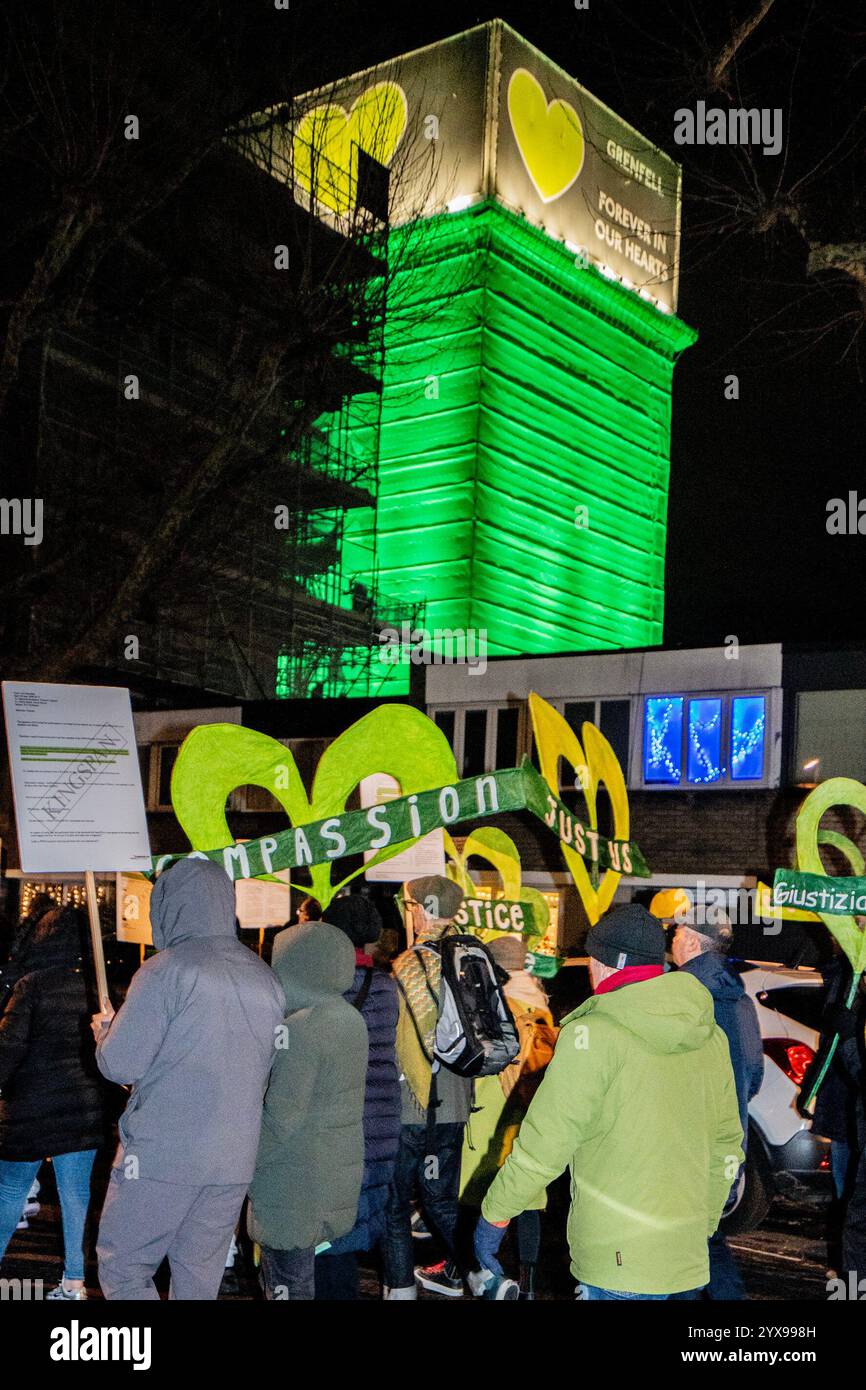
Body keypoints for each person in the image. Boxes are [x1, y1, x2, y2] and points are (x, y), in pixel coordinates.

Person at [475, 903, 744, 1300]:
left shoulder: (593, 1036)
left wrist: (493, 1217)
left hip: (618, 1257)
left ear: (604, 964)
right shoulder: (710, 1034)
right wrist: (700, 1224)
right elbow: (726, 1146)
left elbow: (544, 1146)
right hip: (682, 1253)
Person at [93, 857, 285, 1300]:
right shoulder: (264, 976)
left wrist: (106, 1033)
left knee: (124, 1270)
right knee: (199, 1279)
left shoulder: (165, 971)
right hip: (233, 1159)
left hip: (163, 1156)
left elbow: (120, 1065)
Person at [247, 921, 368, 1300]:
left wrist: (243, 1167)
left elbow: (281, 1119)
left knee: (287, 1285)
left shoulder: (300, 1028)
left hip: (292, 1187)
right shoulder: (350, 1018)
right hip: (332, 1175)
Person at [0, 906, 108, 1299]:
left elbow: (7, 1050)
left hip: (28, 1108)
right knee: (76, 1197)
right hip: (82, 1109)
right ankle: (74, 1283)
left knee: (11, 1192)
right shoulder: (97, 987)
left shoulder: (30, 986)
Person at [382, 875, 473, 1300]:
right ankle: (476, 1273)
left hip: (411, 1108)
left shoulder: (409, 964)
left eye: (409, 905)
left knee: (396, 1204)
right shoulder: (472, 958)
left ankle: (399, 1288)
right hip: (455, 1106)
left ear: (421, 908)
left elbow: (399, 1041)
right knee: (441, 1200)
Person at [667, 900, 764, 1299]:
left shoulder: (679, 998)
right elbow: (753, 1078)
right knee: (706, 1239)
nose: (671, 938)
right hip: (725, 1149)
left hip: (684, 1152)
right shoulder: (741, 1002)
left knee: (678, 1257)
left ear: (691, 943)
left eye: (675, 932)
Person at [459, 932, 558, 1299]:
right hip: (529, 1114)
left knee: (479, 1197)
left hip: (491, 1115)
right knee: (527, 1199)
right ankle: (528, 1282)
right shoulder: (540, 1004)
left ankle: (476, 1271)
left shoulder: (496, 1004)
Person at [314, 895, 400, 1300]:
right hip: (379, 1118)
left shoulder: (321, 985)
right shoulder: (386, 987)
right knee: (347, 1229)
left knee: (323, 1232)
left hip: (335, 1119)